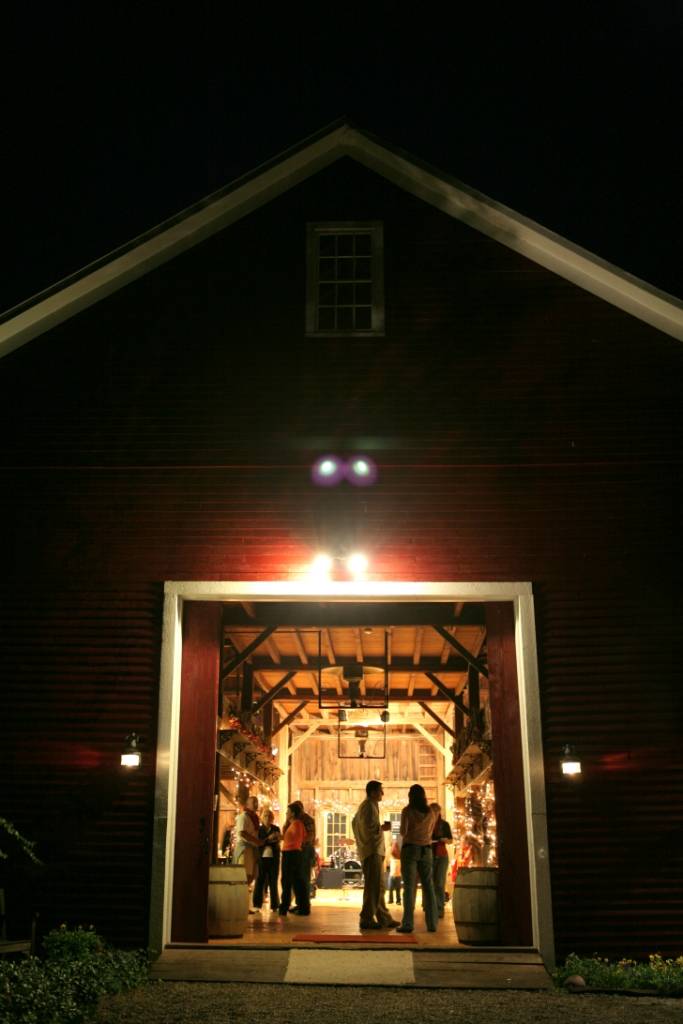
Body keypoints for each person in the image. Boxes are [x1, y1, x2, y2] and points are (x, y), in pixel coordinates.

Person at [351, 780, 398, 930]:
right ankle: (366, 918)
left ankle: (384, 917)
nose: (382, 793)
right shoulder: (368, 807)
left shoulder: (368, 806)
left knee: (378, 886)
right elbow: (367, 828)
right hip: (372, 851)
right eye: (380, 790)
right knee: (373, 887)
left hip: (372, 850)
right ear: (372, 792)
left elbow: (355, 823)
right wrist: (383, 828)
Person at [397, 784, 438, 933]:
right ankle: (432, 924)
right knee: (428, 886)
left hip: (410, 849)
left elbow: (403, 831)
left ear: (411, 796)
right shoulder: (431, 812)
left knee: (409, 887)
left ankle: (408, 924)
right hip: (426, 850)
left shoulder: (407, 811)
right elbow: (431, 831)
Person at [278, 802, 309, 917]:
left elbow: (298, 838)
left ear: (293, 813)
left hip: (291, 853)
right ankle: (302, 907)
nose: (286, 813)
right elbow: (304, 837)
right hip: (295, 853)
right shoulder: (297, 824)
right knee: (296, 881)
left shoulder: (296, 824)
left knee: (287, 881)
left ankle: (284, 907)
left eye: (288, 812)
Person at [252, 808, 281, 913]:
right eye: (265, 816)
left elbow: (277, 841)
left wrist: (266, 841)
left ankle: (275, 905)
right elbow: (259, 843)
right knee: (260, 881)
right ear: (262, 818)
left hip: (274, 859)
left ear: (272, 818)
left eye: (269, 816)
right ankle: (257, 904)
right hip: (262, 859)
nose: (267, 818)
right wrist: (269, 839)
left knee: (273, 882)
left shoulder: (276, 828)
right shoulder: (259, 830)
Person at [232, 793, 263, 887]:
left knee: (250, 876)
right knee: (243, 875)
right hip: (245, 849)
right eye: (254, 802)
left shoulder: (254, 817)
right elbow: (242, 833)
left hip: (251, 849)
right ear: (248, 804)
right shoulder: (244, 816)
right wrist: (256, 841)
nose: (256, 804)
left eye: (257, 802)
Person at [290, 800, 315, 914]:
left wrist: (300, 843)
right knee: (297, 879)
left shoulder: (307, 820)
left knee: (303, 879)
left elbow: (310, 835)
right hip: (299, 850)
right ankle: (299, 904)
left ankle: (304, 906)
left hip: (305, 850)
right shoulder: (296, 820)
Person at [429, 802, 453, 918]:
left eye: (436, 811)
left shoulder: (444, 824)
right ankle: (431, 907)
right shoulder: (427, 823)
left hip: (442, 855)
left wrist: (445, 840)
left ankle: (439, 908)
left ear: (439, 812)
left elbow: (450, 840)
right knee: (430, 883)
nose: (434, 813)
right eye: (432, 811)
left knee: (439, 882)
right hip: (429, 855)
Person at [386, 837, 402, 905]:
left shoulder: (395, 858)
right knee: (393, 889)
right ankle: (394, 900)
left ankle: (395, 900)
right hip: (395, 875)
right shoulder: (396, 858)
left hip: (395, 875)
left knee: (393, 889)